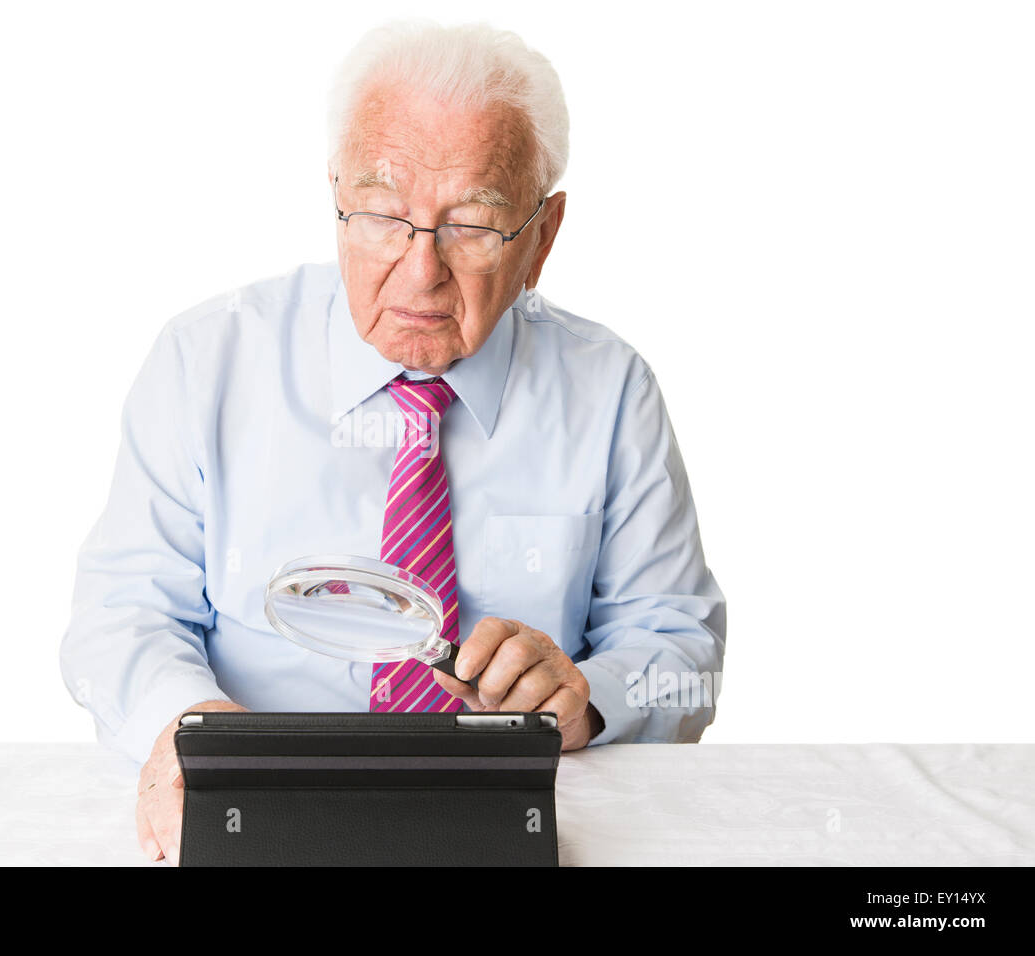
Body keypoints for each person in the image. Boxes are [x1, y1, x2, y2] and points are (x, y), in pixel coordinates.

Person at [60, 19, 726, 863]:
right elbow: (122, 612)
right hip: (251, 814)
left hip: (508, 823)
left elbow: (677, 638)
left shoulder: (610, 388)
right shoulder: (206, 362)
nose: (421, 271)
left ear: (543, 237)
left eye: (472, 225)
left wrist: (588, 695)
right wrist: (200, 739)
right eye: (381, 215)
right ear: (335, 196)